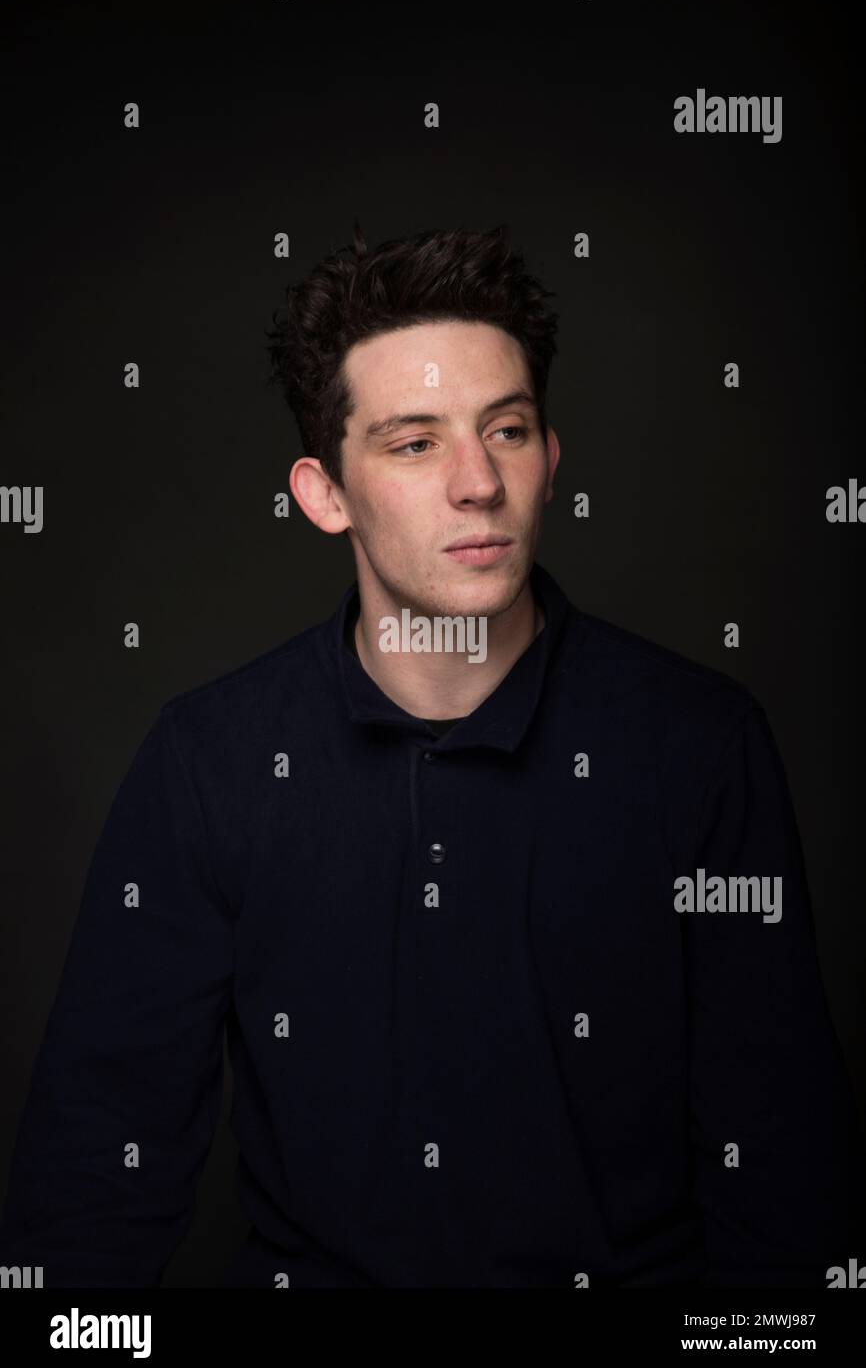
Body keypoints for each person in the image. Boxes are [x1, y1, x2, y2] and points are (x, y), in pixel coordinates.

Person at [1, 223, 863, 1288]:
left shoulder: (697, 744)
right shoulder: (209, 759)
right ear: (324, 494)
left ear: (548, 460)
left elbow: (780, 1174)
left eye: (504, 430)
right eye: (413, 443)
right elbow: (94, 1178)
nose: (476, 483)